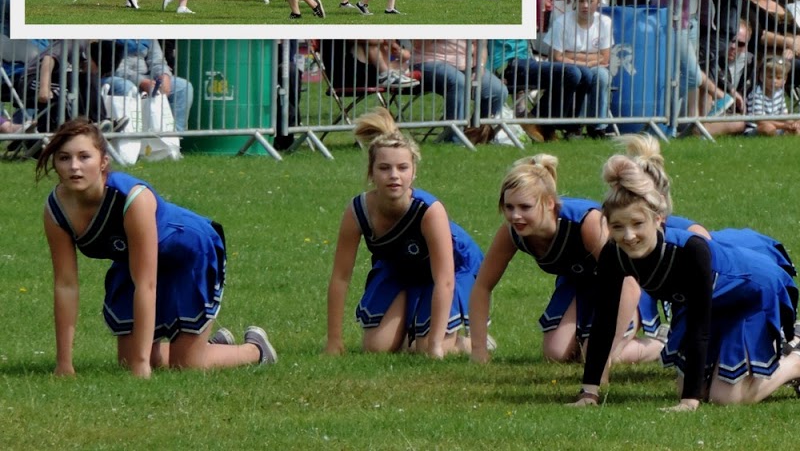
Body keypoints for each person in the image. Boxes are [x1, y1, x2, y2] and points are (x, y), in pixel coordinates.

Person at [573, 138, 800, 408]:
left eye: (637, 223)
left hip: (751, 294)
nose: (629, 235)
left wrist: (689, 403)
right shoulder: (613, 253)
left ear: (659, 219)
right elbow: (605, 322)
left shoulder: (691, 250)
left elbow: (699, 326)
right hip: (711, 306)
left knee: (724, 397)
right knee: (691, 386)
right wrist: (589, 393)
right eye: (618, 226)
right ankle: (778, 355)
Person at [39, 119, 277, 377]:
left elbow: (146, 284)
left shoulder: (132, 198)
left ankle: (256, 350)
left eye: (84, 156)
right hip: (135, 260)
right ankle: (209, 347)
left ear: (103, 162)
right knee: (128, 361)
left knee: (185, 366)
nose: (74, 166)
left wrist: (142, 366)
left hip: (188, 252)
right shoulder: (57, 210)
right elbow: (66, 285)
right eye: (64, 158)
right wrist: (64, 364)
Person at [468, 156, 671, 365]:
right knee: (555, 354)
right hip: (581, 285)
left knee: (596, 355)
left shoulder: (586, 222)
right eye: (509, 207)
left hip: (626, 283)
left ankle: (664, 344)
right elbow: (482, 286)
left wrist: (608, 348)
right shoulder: (512, 232)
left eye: (525, 207)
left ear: (549, 203)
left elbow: (629, 283)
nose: (515, 215)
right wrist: (478, 350)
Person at [325, 109, 483, 357]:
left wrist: (435, 347)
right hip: (400, 268)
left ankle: (463, 341)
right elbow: (340, 277)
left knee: (421, 349)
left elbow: (445, 279)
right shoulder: (358, 211)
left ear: (414, 172)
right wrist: (334, 341)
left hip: (451, 270)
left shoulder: (429, 210)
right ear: (371, 172)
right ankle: (413, 325)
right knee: (376, 348)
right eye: (384, 168)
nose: (394, 176)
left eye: (402, 167)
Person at [545, 0, 615, 121]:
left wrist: (571, 54)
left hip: (594, 66)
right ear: (575, 1)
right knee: (581, 74)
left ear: (598, 2)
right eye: (581, 0)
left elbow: (605, 58)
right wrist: (589, 61)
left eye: (590, 1)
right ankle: (576, 123)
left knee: (602, 76)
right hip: (568, 69)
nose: (585, 5)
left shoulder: (605, 22)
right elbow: (556, 57)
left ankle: (598, 126)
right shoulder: (561, 22)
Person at [746, 56, 800, 136]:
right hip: (757, 127)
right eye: (770, 77)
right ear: (761, 77)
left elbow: (784, 115)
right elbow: (760, 121)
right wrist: (784, 126)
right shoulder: (756, 94)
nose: (774, 81)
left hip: (778, 125)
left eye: (778, 78)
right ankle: (782, 135)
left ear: (784, 80)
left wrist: (792, 124)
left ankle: (789, 134)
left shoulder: (780, 93)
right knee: (768, 128)